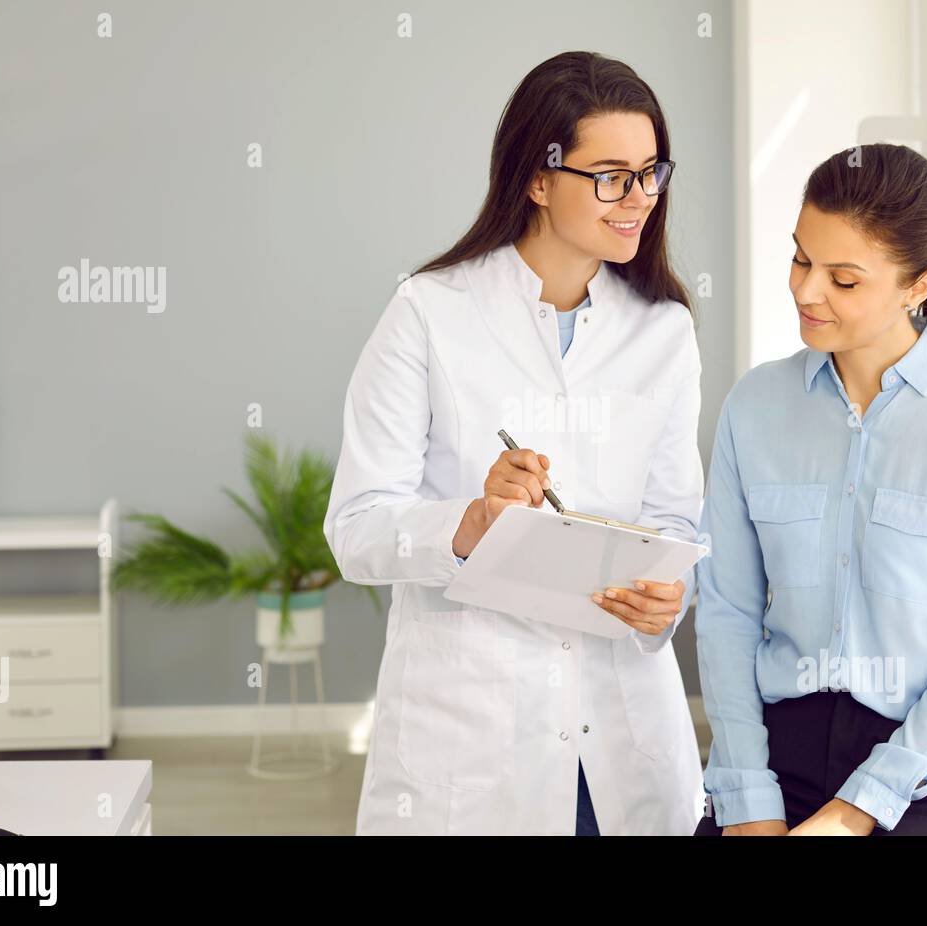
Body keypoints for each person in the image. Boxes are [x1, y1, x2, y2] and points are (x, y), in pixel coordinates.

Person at [324, 51, 705, 835]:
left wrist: (665, 597)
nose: (637, 199)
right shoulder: (428, 313)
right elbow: (356, 530)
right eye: (610, 176)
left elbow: (674, 523)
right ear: (539, 178)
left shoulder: (664, 332)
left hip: (620, 738)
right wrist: (471, 522)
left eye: (649, 173)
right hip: (472, 745)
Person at [694, 143, 927, 836]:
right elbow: (728, 613)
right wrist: (747, 799)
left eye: (843, 279)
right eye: (801, 258)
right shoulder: (755, 407)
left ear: (918, 287)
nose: (805, 291)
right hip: (779, 757)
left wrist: (859, 810)